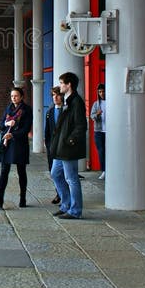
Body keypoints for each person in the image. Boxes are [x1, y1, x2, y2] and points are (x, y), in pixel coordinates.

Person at [49, 72, 87, 220]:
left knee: (71, 179)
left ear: (69, 84)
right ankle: (65, 205)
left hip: (68, 147)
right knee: (55, 174)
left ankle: (75, 210)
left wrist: (70, 140)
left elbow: (81, 125)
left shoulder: (76, 102)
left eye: (62, 83)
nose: (60, 86)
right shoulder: (68, 101)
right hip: (61, 147)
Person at [0, 87, 33, 209]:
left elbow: (26, 129)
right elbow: (1, 124)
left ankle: (23, 198)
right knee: (4, 171)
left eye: (16, 96)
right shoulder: (9, 108)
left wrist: (13, 134)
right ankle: (0, 198)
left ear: (21, 97)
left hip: (19, 143)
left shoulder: (26, 110)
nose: (13, 98)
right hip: (7, 143)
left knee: (21, 171)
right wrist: (6, 124)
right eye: (12, 96)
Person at [44, 86, 64, 204]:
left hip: (64, 147)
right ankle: (59, 193)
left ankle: (65, 195)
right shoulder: (50, 112)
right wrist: (48, 144)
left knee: (64, 172)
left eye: (57, 95)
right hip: (52, 147)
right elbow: (47, 130)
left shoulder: (66, 110)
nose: (55, 97)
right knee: (53, 170)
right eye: (53, 95)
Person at [90, 82, 106, 180]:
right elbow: (92, 116)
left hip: (110, 131)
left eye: (103, 91)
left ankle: (111, 170)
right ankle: (104, 170)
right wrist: (97, 114)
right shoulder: (96, 104)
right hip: (99, 131)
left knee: (111, 152)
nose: (102, 93)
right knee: (101, 151)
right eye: (100, 92)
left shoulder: (111, 102)